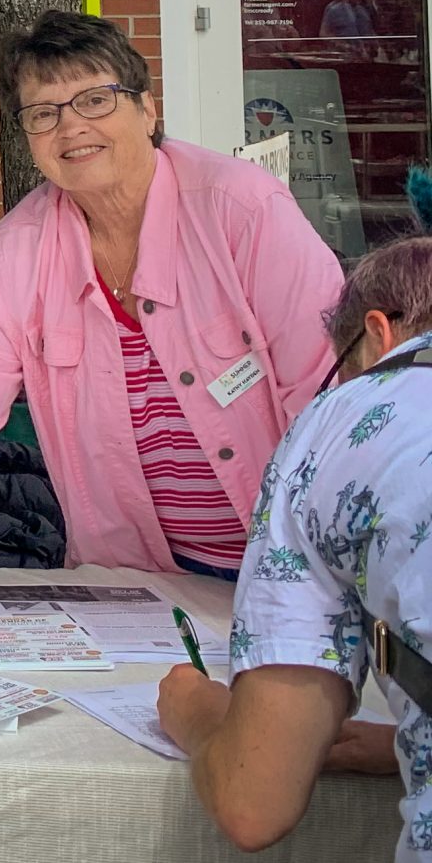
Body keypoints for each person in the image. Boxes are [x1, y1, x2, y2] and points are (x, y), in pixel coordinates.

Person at [0, 11, 345, 599]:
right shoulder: (16, 252)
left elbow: (333, 400)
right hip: (138, 580)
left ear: (147, 110)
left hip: (291, 568)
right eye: (44, 113)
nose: (71, 128)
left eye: (95, 100)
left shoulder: (243, 210)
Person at [158, 236, 430, 858]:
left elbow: (254, 802)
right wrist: (401, 740)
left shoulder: (348, 421)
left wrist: (200, 715)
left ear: (379, 332)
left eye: (345, 364)